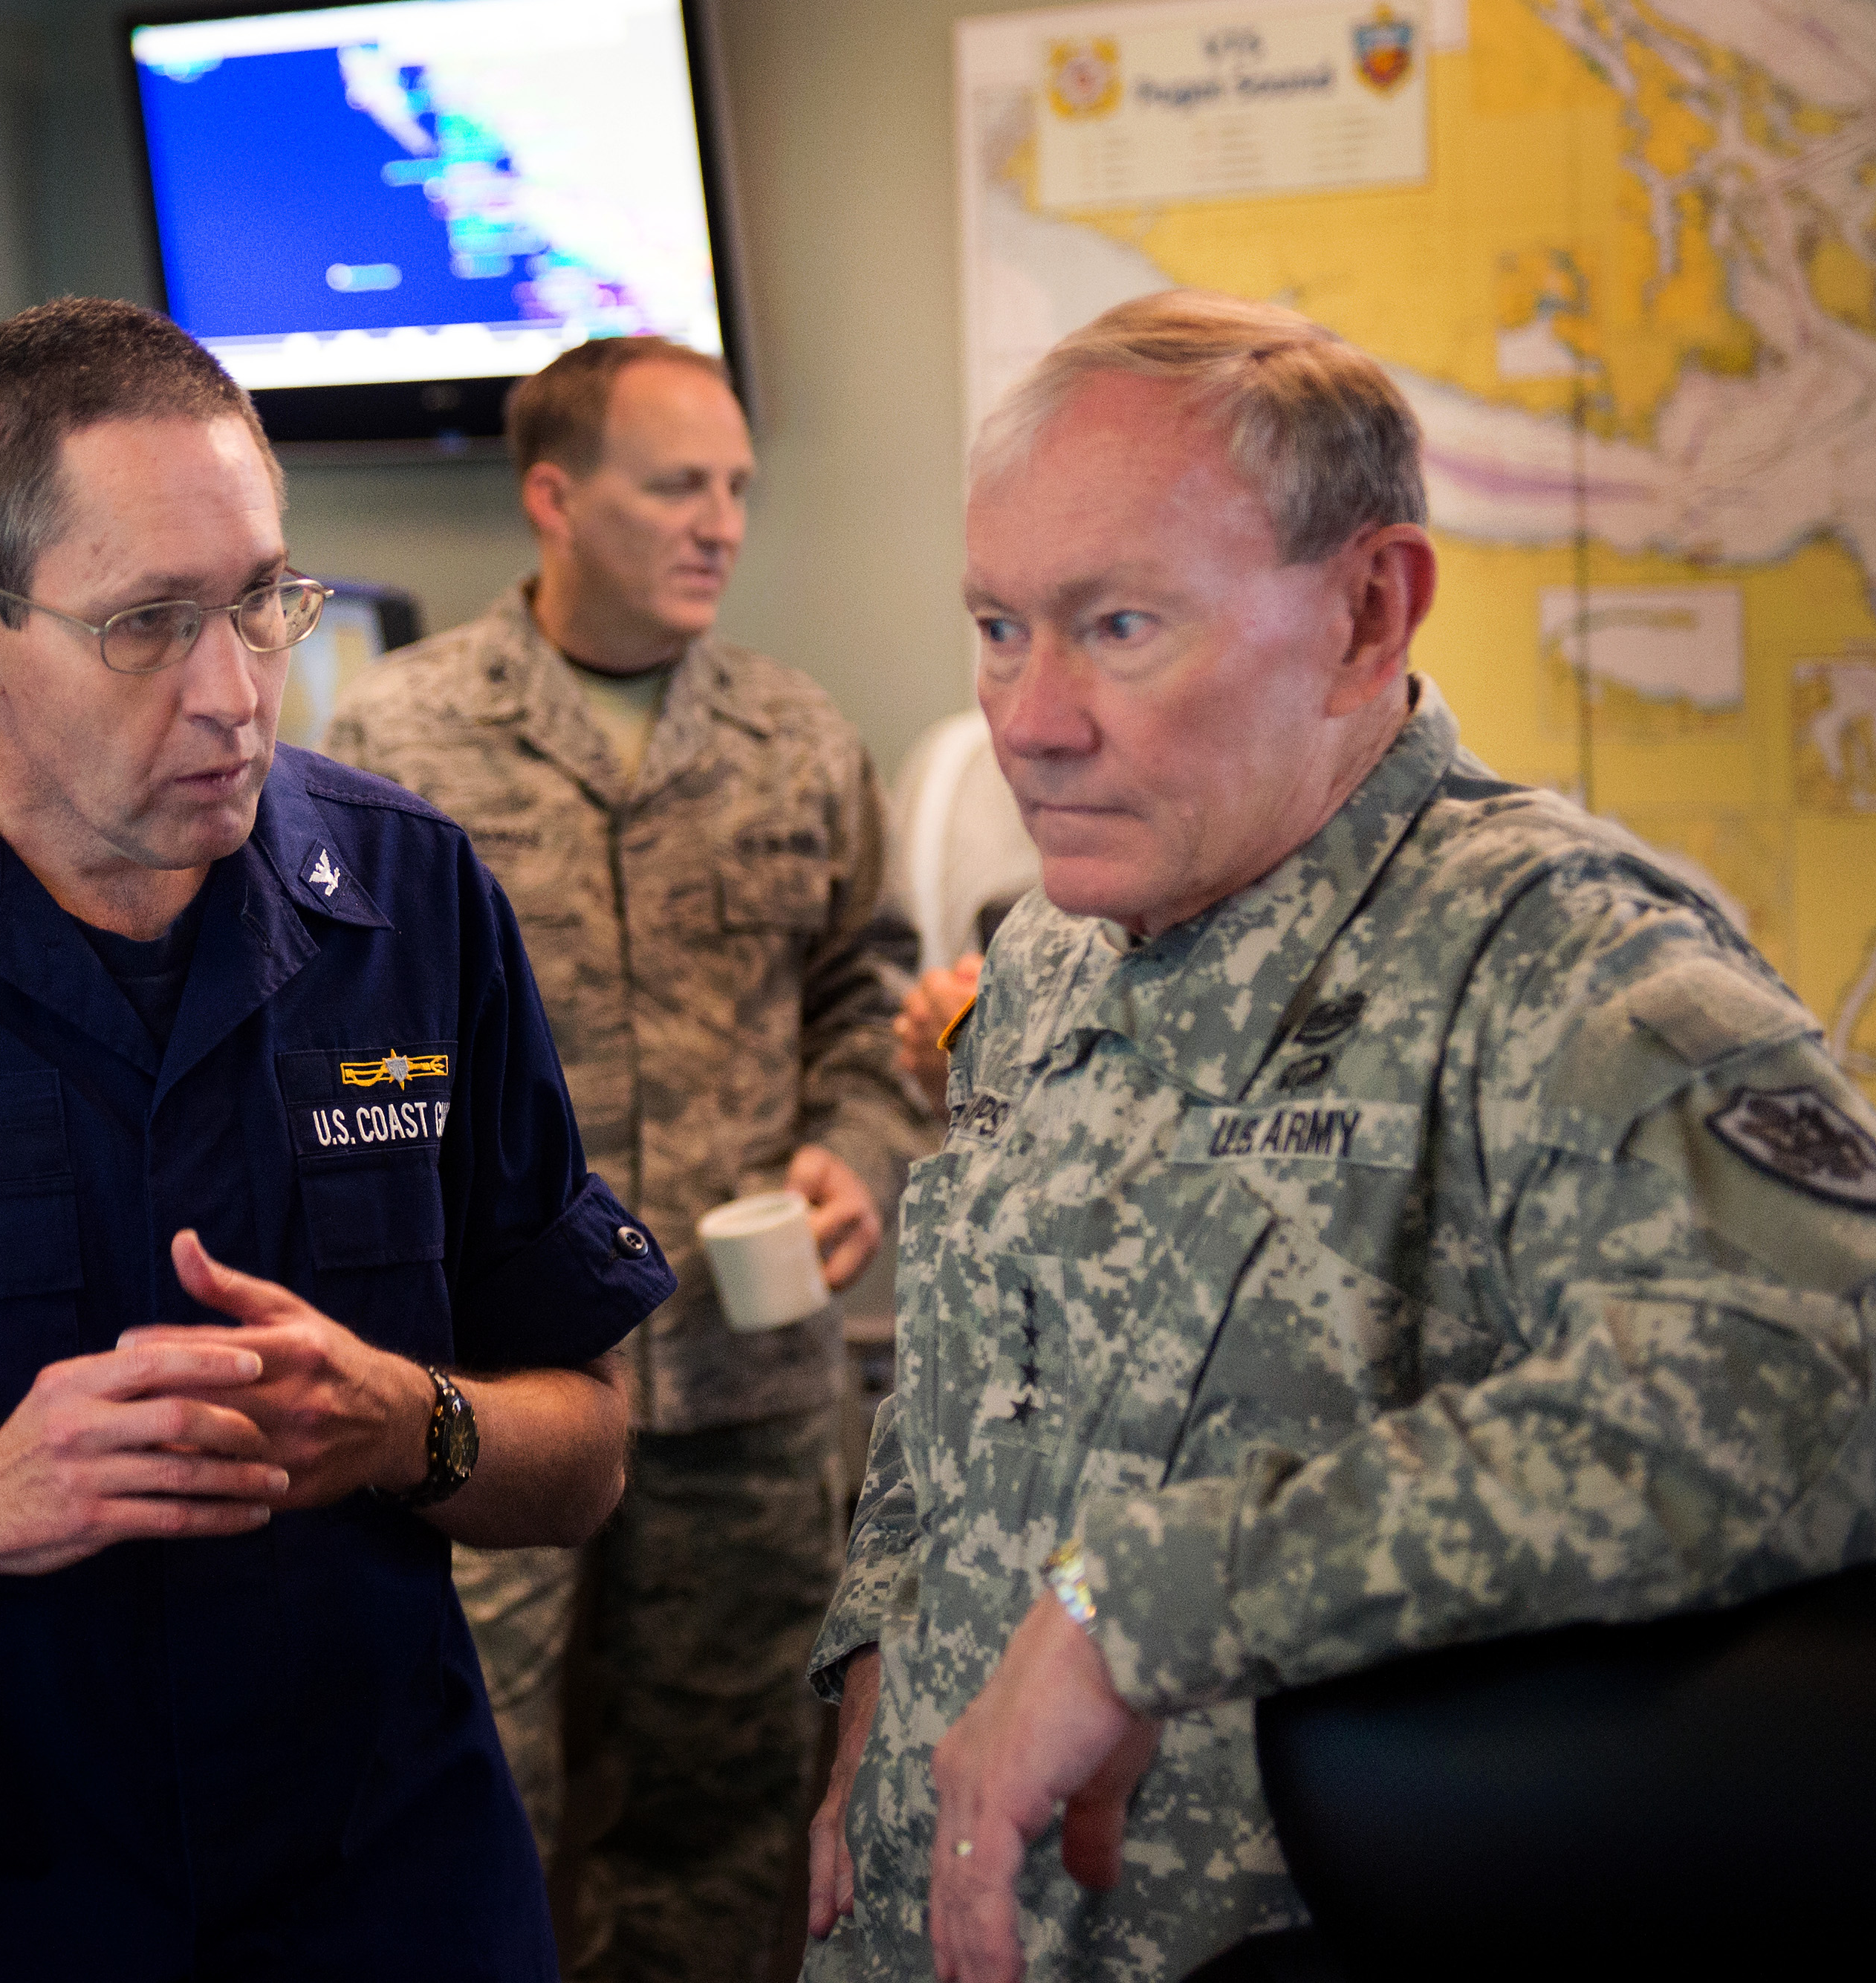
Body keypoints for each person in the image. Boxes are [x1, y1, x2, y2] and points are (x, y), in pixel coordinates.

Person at [802, 290, 1876, 1983]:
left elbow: (1820, 1384)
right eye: (999, 627)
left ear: (1371, 609)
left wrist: (1154, 1597)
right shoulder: (1046, 944)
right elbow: (959, 1377)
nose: (1029, 717)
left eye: (1120, 627)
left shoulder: (1562, 962)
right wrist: (880, 1654)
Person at [0, 296, 675, 1982]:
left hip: (382, 1900)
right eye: (147, 624)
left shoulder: (406, 900)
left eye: (262, 598)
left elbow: (588, 1451)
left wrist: (419, 1424)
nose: (235, 693)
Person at [325, 335, 935, 1979]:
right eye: (678, 483)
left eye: (737, 484)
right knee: (465, 1793)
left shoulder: (796, 735)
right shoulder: (399, 737)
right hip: (489, 1389)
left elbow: (866, 993)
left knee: (727, 1818)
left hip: (743, 1384)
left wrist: (859, 1150)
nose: (721, 521)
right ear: (553, 497)